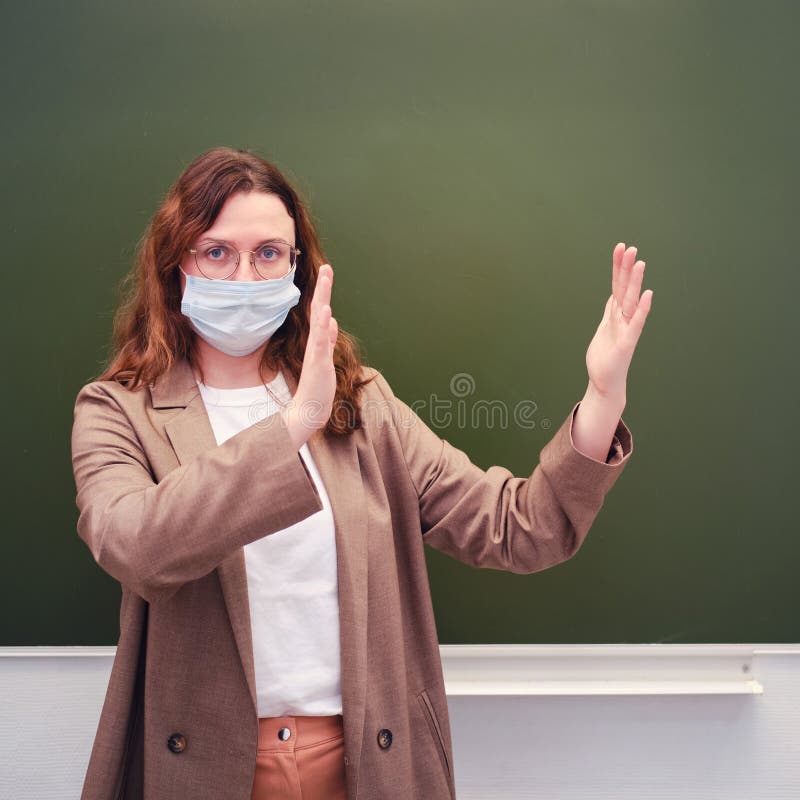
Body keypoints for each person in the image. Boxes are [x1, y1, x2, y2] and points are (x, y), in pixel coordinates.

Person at [70, 146, 650, 800]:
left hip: (361, 765)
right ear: (176, 265)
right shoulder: (118, 410)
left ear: (298, 266)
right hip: (201, 768)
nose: (244, 276)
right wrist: (294, 423)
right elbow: (133, 547)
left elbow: (519, 529)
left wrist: (603, 396)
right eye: (217, 252)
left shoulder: (360, 402)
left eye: (268, 253)